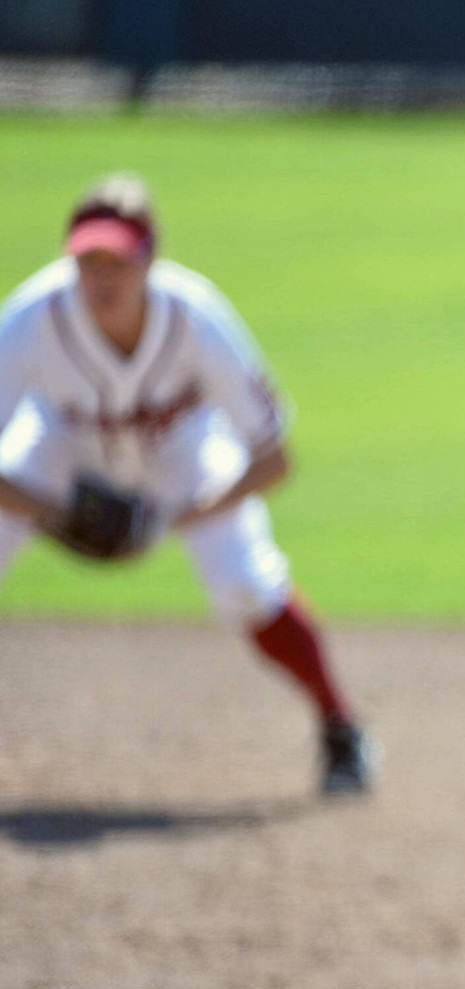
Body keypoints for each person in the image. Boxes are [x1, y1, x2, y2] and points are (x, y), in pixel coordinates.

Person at [0, 174, 374, 796]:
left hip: (182, 454)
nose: (101, 277)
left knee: (246, 585)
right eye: (88, 261)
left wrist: (183, 516)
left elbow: (274, 459)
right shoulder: (31, 320)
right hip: (61, 446)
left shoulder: (197, 318)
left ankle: (341, 730)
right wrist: (51, 511)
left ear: (149, 259)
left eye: (116, 259)